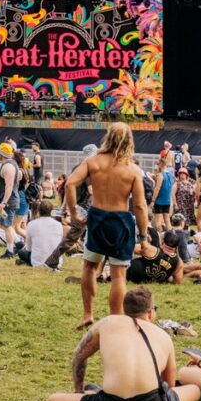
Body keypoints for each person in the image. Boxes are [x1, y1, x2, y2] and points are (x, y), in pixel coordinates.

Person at [49, 286, 201, 401]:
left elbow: (78, 356)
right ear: (150, 312)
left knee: (52, 400)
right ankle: (93, 392)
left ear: (125, 310)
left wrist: (78, 391)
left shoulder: (107, 323)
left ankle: (90, 392)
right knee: (194, 390)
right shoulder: (164, 336)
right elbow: (169, 386)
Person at [65, 122, 149, 329]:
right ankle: (114, 320)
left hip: (97, 219)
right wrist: (145, 237)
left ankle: (88, 314)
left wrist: (74, 211)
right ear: (129, 141)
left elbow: (70, 183)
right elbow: (139, 205)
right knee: (118, 274)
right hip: (121, 221)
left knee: (89, 267)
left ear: (107, 137)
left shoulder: (93, 162)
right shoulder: (133, 170)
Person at [21, 198, 66, 270]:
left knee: (21, 252)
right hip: (56, 261)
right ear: (52, 211)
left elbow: (29, 248)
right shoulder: (58, 225)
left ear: (39, 211)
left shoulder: (31, 224)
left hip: (37, 262)